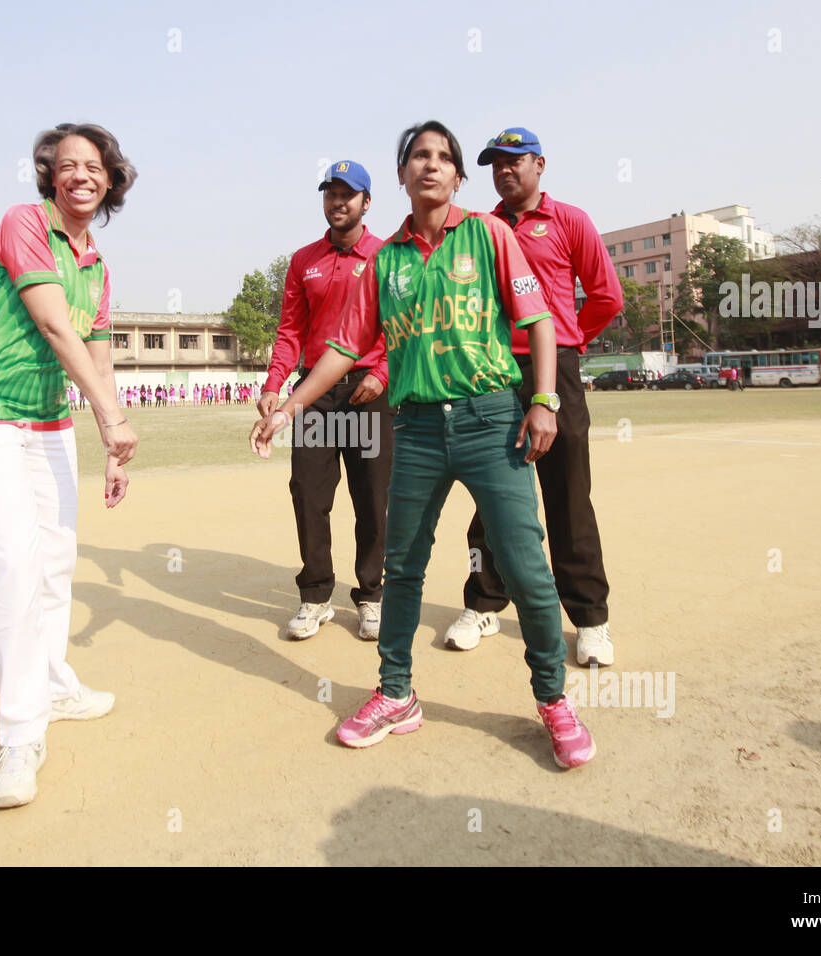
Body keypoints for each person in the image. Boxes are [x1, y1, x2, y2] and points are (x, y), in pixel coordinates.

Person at [252, 120, 595, 768]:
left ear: (457, 177)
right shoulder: (387, 262)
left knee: (524, 567)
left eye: (442, 157)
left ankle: (553, 699)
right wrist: (290, 405)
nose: (430, 165)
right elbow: (343, 348)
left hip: (492, 421)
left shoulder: (490, 234)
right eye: (418, 156)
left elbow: (539, 319)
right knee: (402, 567)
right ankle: (396, 694)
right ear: (403, 176)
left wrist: (544, 400)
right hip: (414, 431)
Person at [0, 122, 137, 808]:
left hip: (47, 417)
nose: (81, 174)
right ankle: (19, 737)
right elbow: (54, 324)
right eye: (67, 165)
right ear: (50, 176)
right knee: (14, 564)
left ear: (111, 180)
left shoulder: (99, 267)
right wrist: (111, 419)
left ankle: (52, 684)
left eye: (94, 166)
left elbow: (99, 357)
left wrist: (113, 442)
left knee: (54, 558)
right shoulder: (23, 224)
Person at [445, 127, 624, 666]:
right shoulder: (481, 229)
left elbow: (606, 297)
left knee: (568, 497)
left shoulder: (570, 220)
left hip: (558, 372)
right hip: (494, 373)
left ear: (539, 164)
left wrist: (568, 341)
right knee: (490, 497)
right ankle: (483, 603)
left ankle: (591, 619)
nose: (504, 169)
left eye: (514, 160)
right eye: (495, 163)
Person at [257, 158, 392, 641]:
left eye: (347, 194)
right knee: (309, 494)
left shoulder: (388, 255)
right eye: (330, 194)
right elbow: (290, 330)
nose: (337, 202)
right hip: (315, 391)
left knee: (372, 498)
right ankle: (316, 595)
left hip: (368, 391)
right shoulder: (303, 260)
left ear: (365, 202)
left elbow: (404, 329)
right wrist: (275, 385)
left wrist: (382, 371)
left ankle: (372, 595)